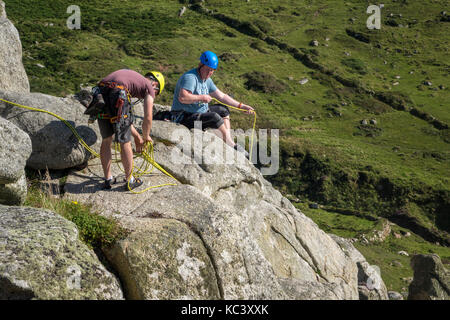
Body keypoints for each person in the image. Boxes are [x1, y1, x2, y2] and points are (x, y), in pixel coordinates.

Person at [171, 51, 254, 156]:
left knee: (223, 111)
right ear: (200, 65)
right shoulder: (191, 78)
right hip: (183, 116)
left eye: (212, 70)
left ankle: (228, 140)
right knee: (214, 117)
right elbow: (183, 97)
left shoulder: (207, 80)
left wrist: (242, 106)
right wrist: (202, 97)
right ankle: (231, 145)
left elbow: (222, 96)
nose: (209, 73)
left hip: (197, 112)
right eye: (207, 69)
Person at [93, 69, 164, 190]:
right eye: (156, 94)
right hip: (118, 92)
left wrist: (137, 136)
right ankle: (129, 180)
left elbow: (122, 121)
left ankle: (108, 179)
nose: (154, 95)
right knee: (125, 141)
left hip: (101, 91)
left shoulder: (134, 79)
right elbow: (148, 117)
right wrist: (146, 136)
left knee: (106, 139)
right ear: (155, 85)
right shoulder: (149, 88)